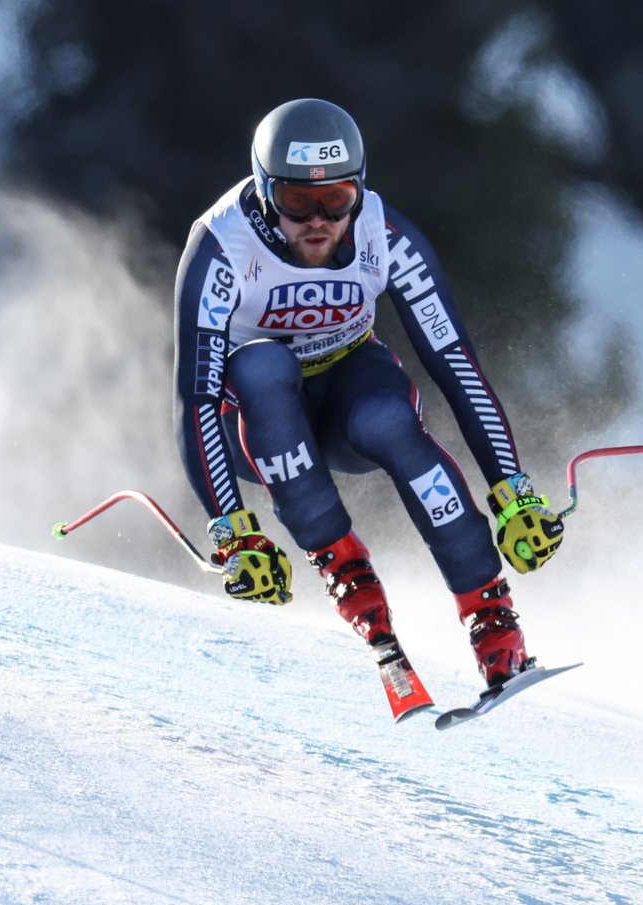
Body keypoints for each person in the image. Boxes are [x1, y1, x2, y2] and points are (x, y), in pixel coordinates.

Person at [172, 97, 564, 696]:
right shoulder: (222, 244)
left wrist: (512, 488)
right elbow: (196, 396)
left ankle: (495, 629)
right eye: (298, 201)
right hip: (256, 424)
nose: (320, 221)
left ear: (361, 187)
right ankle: (352, 586)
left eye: (338, 198)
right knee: (260, 367)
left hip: (349, 393)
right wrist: (233, 529)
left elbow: (454, 361)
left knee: (387, 418)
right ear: (263, 190)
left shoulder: (385, 233)